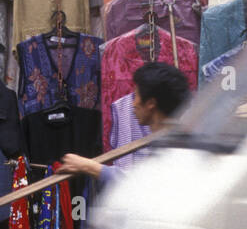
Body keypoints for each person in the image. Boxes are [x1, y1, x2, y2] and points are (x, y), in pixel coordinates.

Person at [57, 62, 189, 183]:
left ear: (150, 104)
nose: (133, 103)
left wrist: (88, 166)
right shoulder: (172, 140)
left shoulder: (177, 150)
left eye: (136, 95)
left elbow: (143, 186)